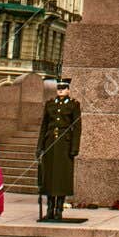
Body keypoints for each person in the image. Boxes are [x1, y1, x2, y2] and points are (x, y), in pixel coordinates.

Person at [37, 76, 82, 222]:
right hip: (50, 143)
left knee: (62, 178)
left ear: (68, 90)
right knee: (49, 177)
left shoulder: (73, 105)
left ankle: (59, 208)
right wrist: (40, 147)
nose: (61, 91)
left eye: (63, 89)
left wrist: (74, 147)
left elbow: (77, 128)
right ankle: (50, 207)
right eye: (59, 89)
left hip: (64, 145)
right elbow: (44, 127)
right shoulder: (50, 104)